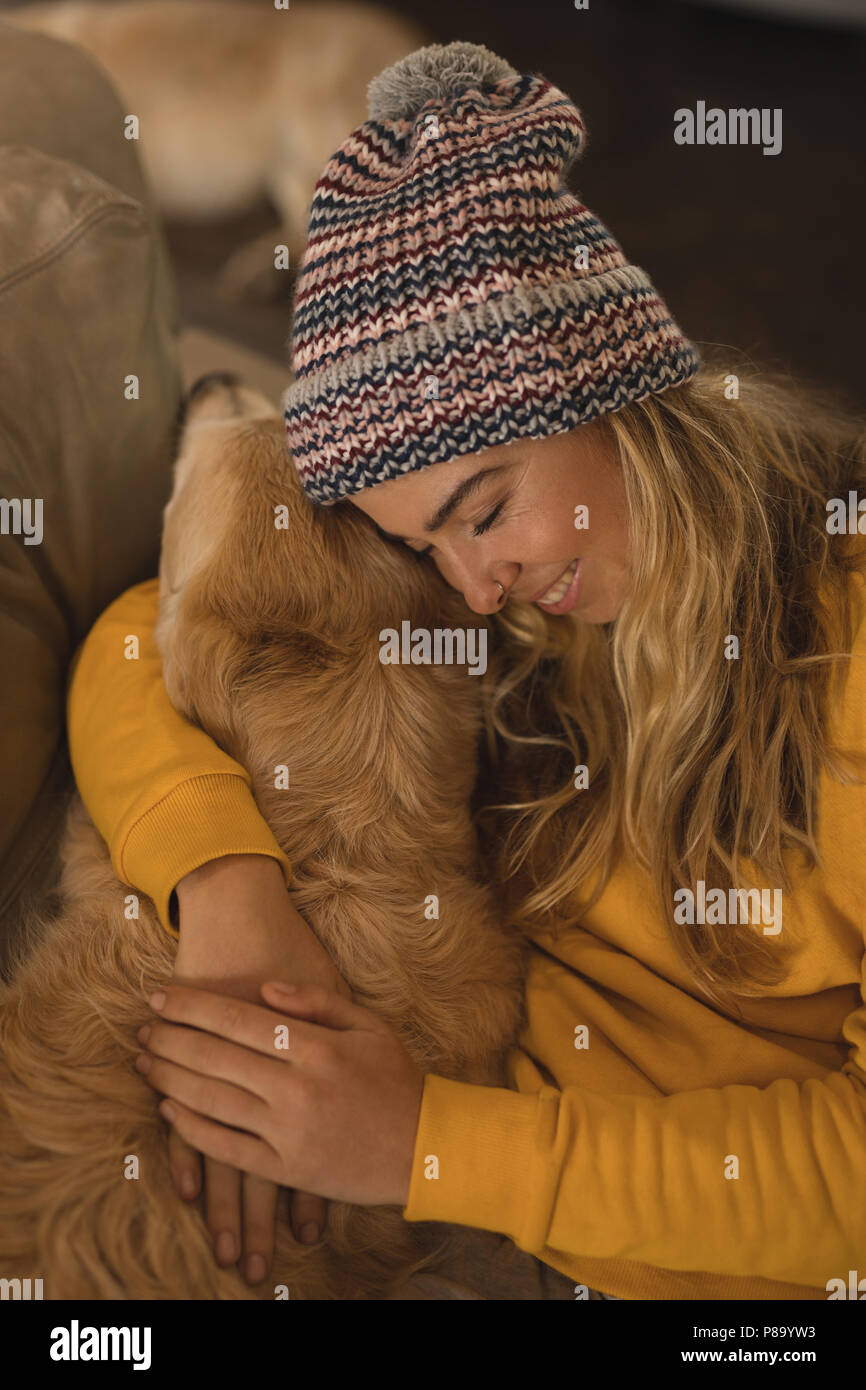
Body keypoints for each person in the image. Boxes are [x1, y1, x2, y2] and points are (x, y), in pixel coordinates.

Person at [67, 41, 866, 1301]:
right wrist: (224, 888)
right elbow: (134, 637)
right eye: (419, 547)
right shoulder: (524, 603)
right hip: (425, 1148)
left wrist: (423, 1147)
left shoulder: (841, 647)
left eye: (483, 510)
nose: (472, 587)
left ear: (613, 393)